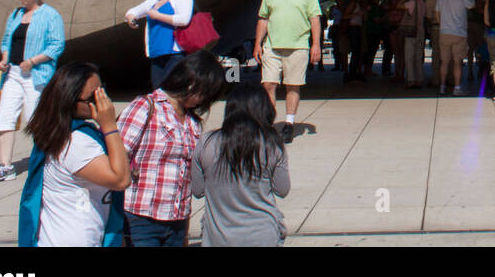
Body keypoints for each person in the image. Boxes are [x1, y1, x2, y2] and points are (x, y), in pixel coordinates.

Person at [119, 50, 227, 246]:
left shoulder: (193, 122)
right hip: (141, 218)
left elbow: (186, 174)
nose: (205, 101)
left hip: (177, 221)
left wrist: (184, 230)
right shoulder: (145, 107)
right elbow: (118, 154)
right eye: (206, 93)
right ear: (192, 81)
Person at [19, 62, 129, 246]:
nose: (104, 101)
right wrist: (109, 125)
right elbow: (120, 180)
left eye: (103, 91)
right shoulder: (76, 143)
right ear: (70, 101)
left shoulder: (60, 133)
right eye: (94, 98)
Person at [0, 0, 66, 184]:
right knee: (5, 116)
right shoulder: (16, 15)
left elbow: (56, 45)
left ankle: (46, 160)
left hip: (36, 75)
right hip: (13, 74)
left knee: (35, 118)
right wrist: (3, 59)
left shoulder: (50, 15)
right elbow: (6, 40)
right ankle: (4, 165)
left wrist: (33, 61)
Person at [191, 83, 291, 247]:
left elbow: (198, 190)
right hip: (263, 236)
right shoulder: (272, 145)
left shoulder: (206, 142)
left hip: (218, 238)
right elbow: (282, 190)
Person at [254, 0, 321, 144]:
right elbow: (263, 18)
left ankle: (289, 123)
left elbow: (315, 18)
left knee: (293, 85)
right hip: (272, 46)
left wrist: (316, 44)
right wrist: (258, 43)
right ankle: (269, 122)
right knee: (268, 84)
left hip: (298, 46)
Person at [124, 0, 195, 89]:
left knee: (173, 92)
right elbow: (133, 11)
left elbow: (183, 19)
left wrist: (157, 15)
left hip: (175, 53)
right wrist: (131, 17)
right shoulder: (153, 1)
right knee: (158, 92)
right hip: (156, 53)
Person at [432, 0, 474, 95]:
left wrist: (443, 24)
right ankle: (456, 88)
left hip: (444, 32)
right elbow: (473, 5)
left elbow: (436, 14)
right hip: (459, 33)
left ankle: (442, 86)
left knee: (444, 62)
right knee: (457, 62)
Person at [402, 0, 427, 88]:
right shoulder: (424, 3)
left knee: (409, 57)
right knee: (418, 56)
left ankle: (411, 79)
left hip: (411, 31)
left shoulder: (412, 3)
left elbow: (399, 6)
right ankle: (420, 79)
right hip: (421, 31)